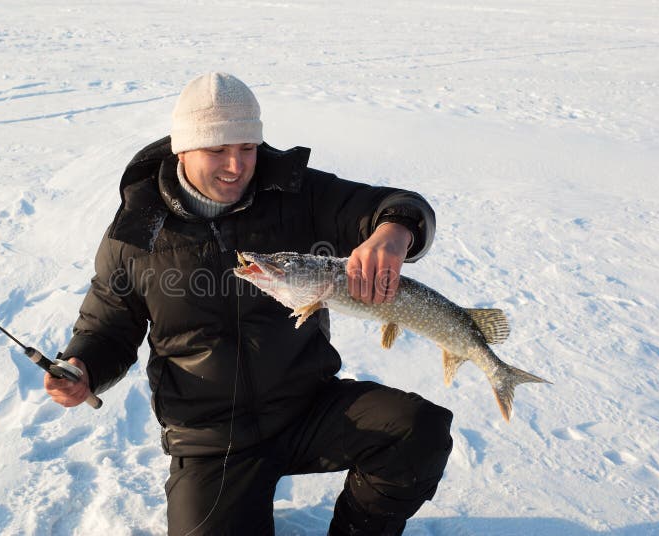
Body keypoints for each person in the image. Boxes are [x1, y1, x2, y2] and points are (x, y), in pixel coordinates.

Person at [45, 72, 453, 535]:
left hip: (306, 406)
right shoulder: (137, 232)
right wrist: (83, 368)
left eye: (247, 147)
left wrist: (394, 231)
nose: (236, 166)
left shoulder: (295, 194)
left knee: (416, 432)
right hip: (211, 438)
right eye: (217, 149)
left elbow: (400, 204)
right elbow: (108, 325)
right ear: (183, 148)